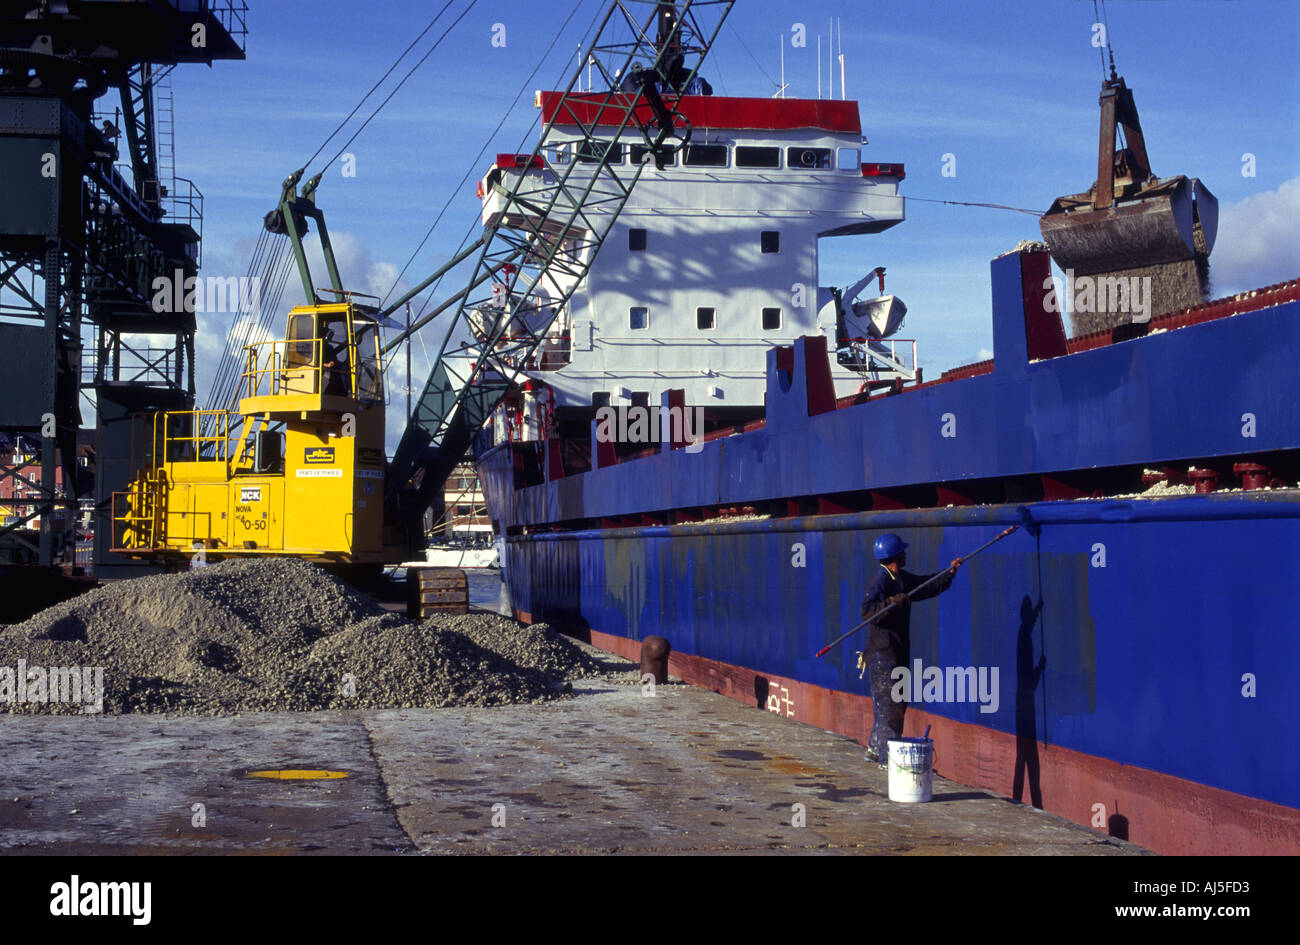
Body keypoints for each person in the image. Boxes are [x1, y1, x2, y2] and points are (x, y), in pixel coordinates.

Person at [859, 533, 963, 767]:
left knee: (891, 703)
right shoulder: (881, 581)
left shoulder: (900, 578)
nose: (906, 553)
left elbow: (925, 587)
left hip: (896, 651)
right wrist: (892, 603)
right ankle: (888, 761)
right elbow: (867, 612)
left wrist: (949, 573)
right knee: (891, 705)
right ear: (895, 555)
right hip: (883, 655)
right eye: (903, 551)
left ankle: (875, 749)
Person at [322, 326, 349, 396]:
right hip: (322, 371)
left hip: (331, 369)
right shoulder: (315, 347)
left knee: (343, 368)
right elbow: (314, 362)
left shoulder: (329, 348)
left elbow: (334, 360)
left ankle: (342, 392)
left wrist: (334, 363)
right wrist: (326, 365)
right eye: (328, 336)